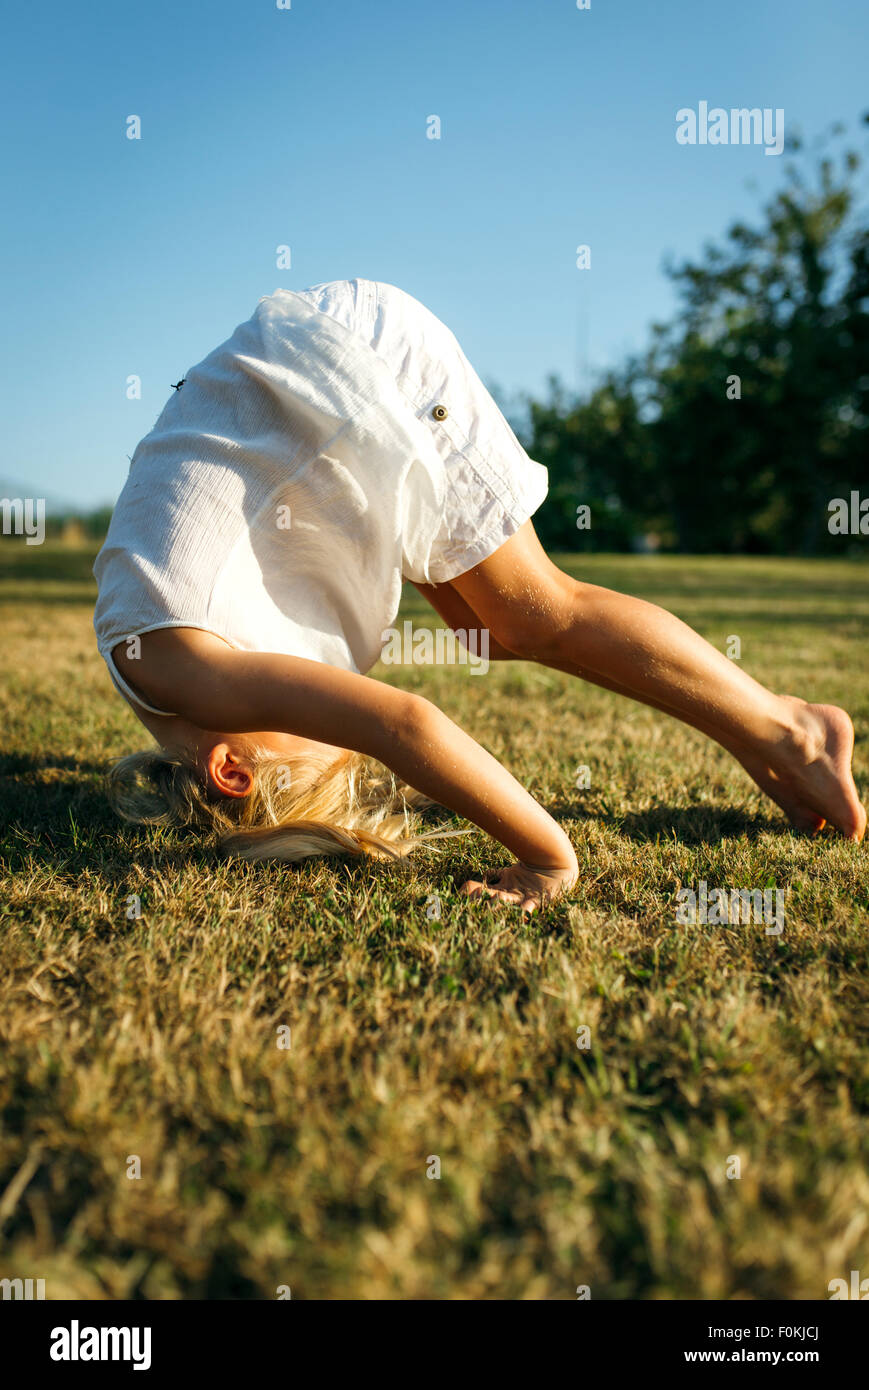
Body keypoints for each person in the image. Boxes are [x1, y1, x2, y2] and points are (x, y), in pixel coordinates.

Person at [93, 279, 866, 914]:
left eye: (327, 755)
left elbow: (403, 723)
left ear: (231, 770)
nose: (328, 715)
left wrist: (544, 857)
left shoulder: (187, 668)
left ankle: (793, 731)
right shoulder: (149, 655)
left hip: (355, 367)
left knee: (536, 614)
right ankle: (762, 727)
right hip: (302, 404)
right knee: (489, 633)